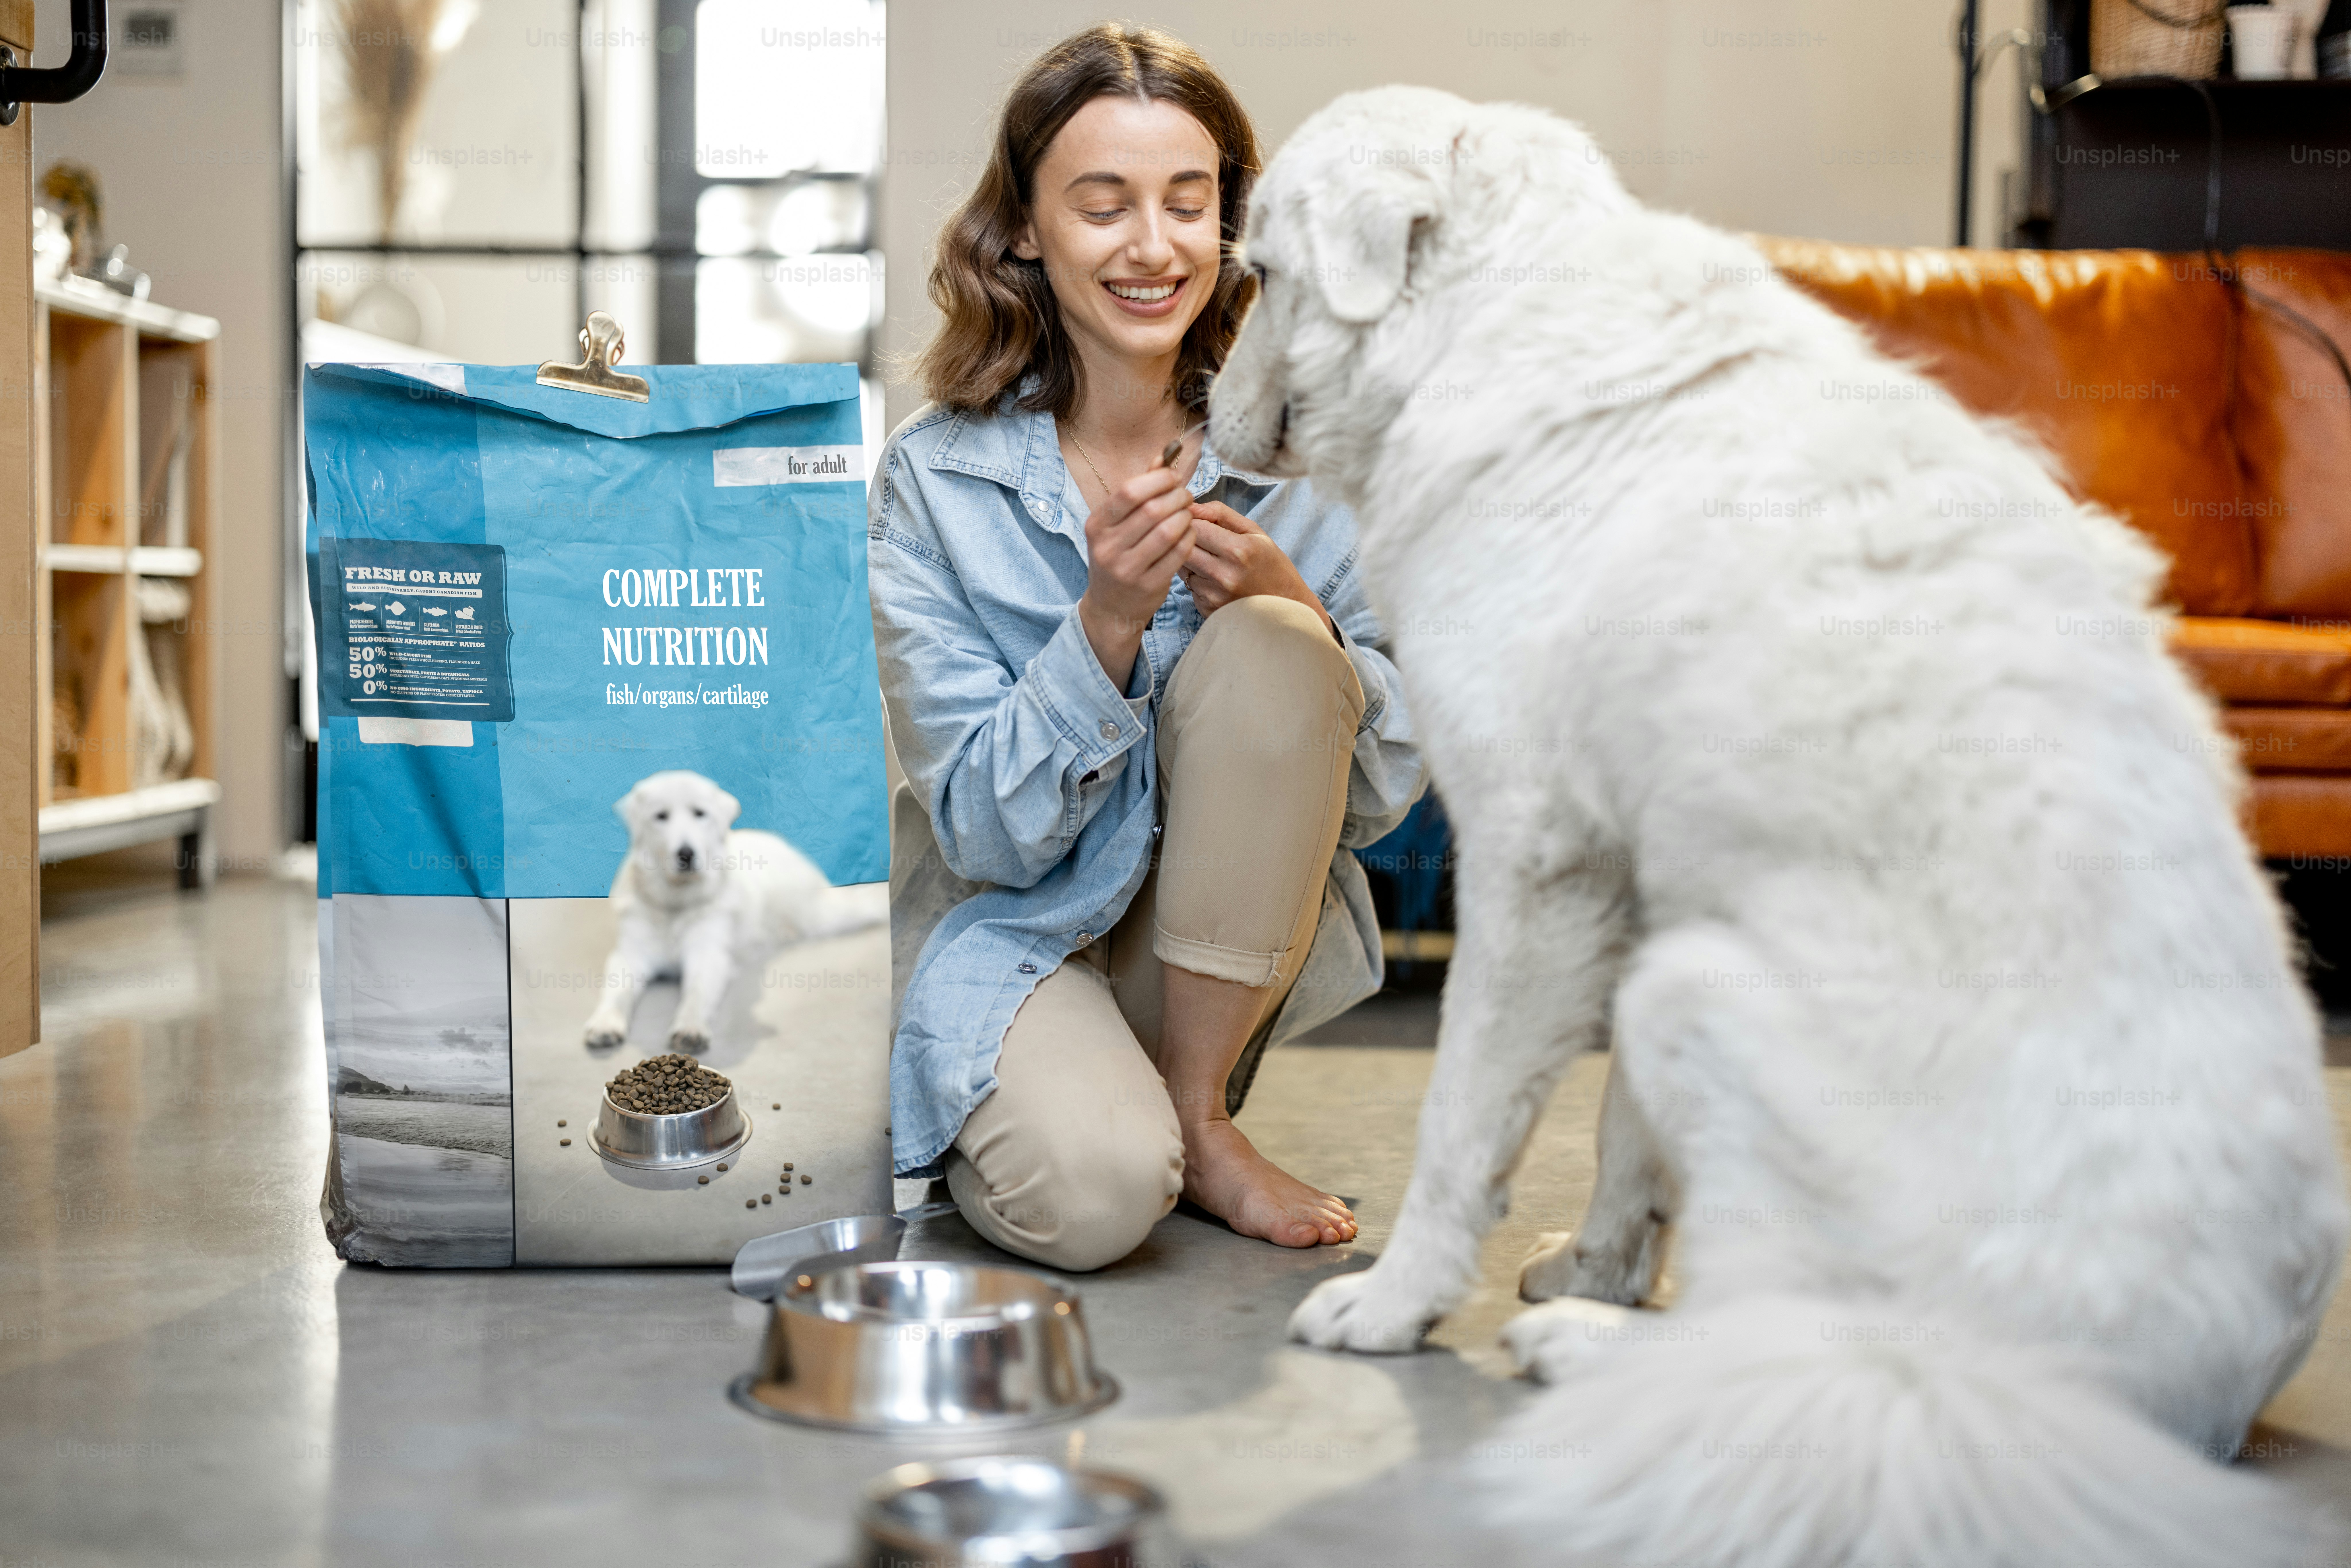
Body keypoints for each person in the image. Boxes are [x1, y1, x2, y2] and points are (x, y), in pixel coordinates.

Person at [868, 23, 1425, 1272]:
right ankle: (1080, 1111)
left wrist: (1302, 619)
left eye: (1190, 203)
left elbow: (1380, 798)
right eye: (1101, 204)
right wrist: (1103, 624)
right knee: (1099, 1201)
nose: (1152, 246)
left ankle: (1195, 1110)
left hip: (1210, 962)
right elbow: (983, 834)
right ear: (1023, 229)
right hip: (1022, 935)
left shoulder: (1317, 461)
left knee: (1279, 639)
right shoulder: (930, 484)